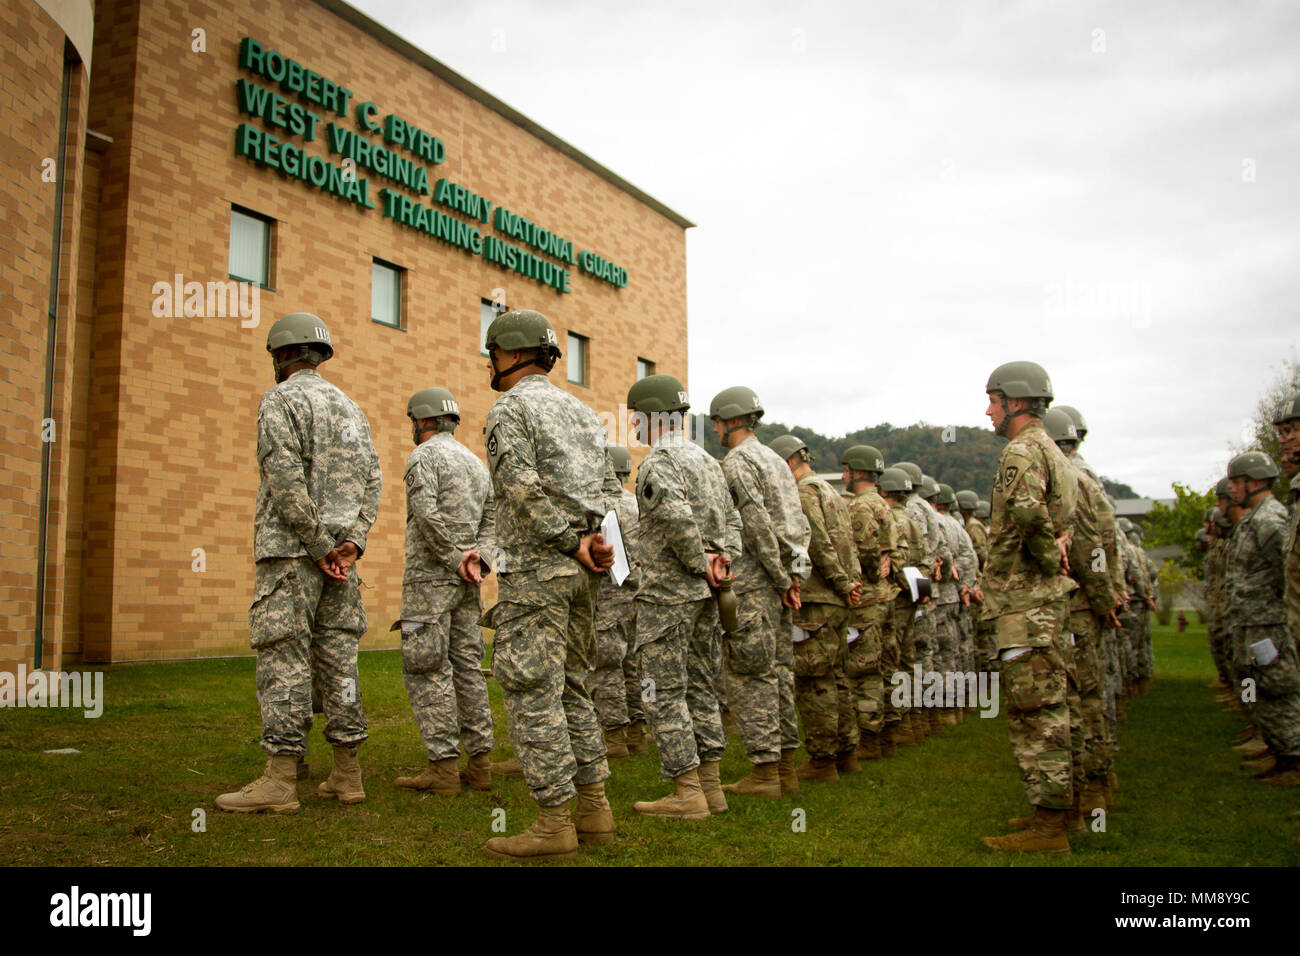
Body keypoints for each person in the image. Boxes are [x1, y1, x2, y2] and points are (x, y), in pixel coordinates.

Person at [216, 312, 381, 814]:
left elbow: (285, 481)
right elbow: (373, 480)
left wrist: (318, 545)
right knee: (339, 660)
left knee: (283, 658)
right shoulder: (352, 409)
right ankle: (348, 775)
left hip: (293, 555)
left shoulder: (280, 400)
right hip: (340, 563)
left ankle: (281, 781)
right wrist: (351, 543)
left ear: (283, 354)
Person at [477, 309, 616, 861]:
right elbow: (609, 487)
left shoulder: (508, 409)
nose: (491, 362)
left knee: (533, 692)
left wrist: (566, 541)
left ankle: (554, 822)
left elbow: (520, 488)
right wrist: (596, 543)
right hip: (585, 570)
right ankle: (595, 810)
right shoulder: (582, 412)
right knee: (574, 687)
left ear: (510, 354)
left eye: (493, 352)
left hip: (539, 571)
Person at [625, 375, 741, 817]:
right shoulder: (709, 462)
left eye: (635, 414)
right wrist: (720, 560)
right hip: (707, 597)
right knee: (701, 689)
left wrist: (699, 559)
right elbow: (733, 520)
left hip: (667, 599)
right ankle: (712, 789)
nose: (632, 422)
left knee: (662, 693)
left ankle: (686, 793)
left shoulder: (659, 462)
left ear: (648, 415)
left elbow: (675, 520)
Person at [978, 361, 1078, 854]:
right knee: (1047, 706)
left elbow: (1027, 511)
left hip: (1025, 599)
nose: (988, 410)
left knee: (1036, 712)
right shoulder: (1054, 451)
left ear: (1016, 401)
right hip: (1039, 600)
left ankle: (1051, 826)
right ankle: (1056, 812)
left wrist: (1045, 559)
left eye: (994, 400)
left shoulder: (1023, 450)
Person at [392, 387, 497, 796]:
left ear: (422, 421)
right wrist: (480, 559)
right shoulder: (476, 464)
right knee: (469, 670)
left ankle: (443, 769)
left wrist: (455, 556)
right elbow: (493, 520)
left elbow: (425, 514)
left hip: (428, 584)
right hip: (468, 585)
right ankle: (481, 763)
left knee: (428, 669)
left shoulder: (423, 457)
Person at [710, 386, 812, 798]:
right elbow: (797, 525)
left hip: (756, 585)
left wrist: (779, 578)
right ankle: (785, 769)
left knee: (750, 676)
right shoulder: (774, 459)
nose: (714, 428)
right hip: (780, 584)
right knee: (778, 673)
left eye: (716, 420)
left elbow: (755, 528)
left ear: (731, 420)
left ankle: (767, 773)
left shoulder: (737, 464)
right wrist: (792, 578)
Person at [770, 435, 862, 780]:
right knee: (837, 677)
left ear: (787, 462)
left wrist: (841, 582)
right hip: (835, 599)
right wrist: (850, 584)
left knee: (814, 682)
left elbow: (818, 544)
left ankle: (823, 760)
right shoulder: (830, 491)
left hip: (819, 598)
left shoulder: (804, 495)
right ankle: (847, 754)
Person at [1225, 450, 1300, 785]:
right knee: (1250, 685)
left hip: (1268, 625)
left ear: (1254, 482)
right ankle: (1272, 742)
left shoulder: (1270, 521)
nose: (1231, 488)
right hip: (1249, 624)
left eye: (1236, 481)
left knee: (1278, 688)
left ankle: (1293, 757)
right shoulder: (1253, 520)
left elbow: (1286, 573)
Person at [841, 445, 900, 758]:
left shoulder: (862, 507)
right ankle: (889, 732)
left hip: (868, 596)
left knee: (863, 670)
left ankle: (869, 738)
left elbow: (865, 553)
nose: (843, 476)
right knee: (886, 664)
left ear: (859, 472)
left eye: (847, 470)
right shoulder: (882, 504)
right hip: (885, 595)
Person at [594, 444, 640, 758]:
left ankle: (613, 738)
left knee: (606, 665)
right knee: (633, 664)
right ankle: (638, 732)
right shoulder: (637, 504)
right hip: (636, 596)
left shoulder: (598, 505)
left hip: (607, 597)